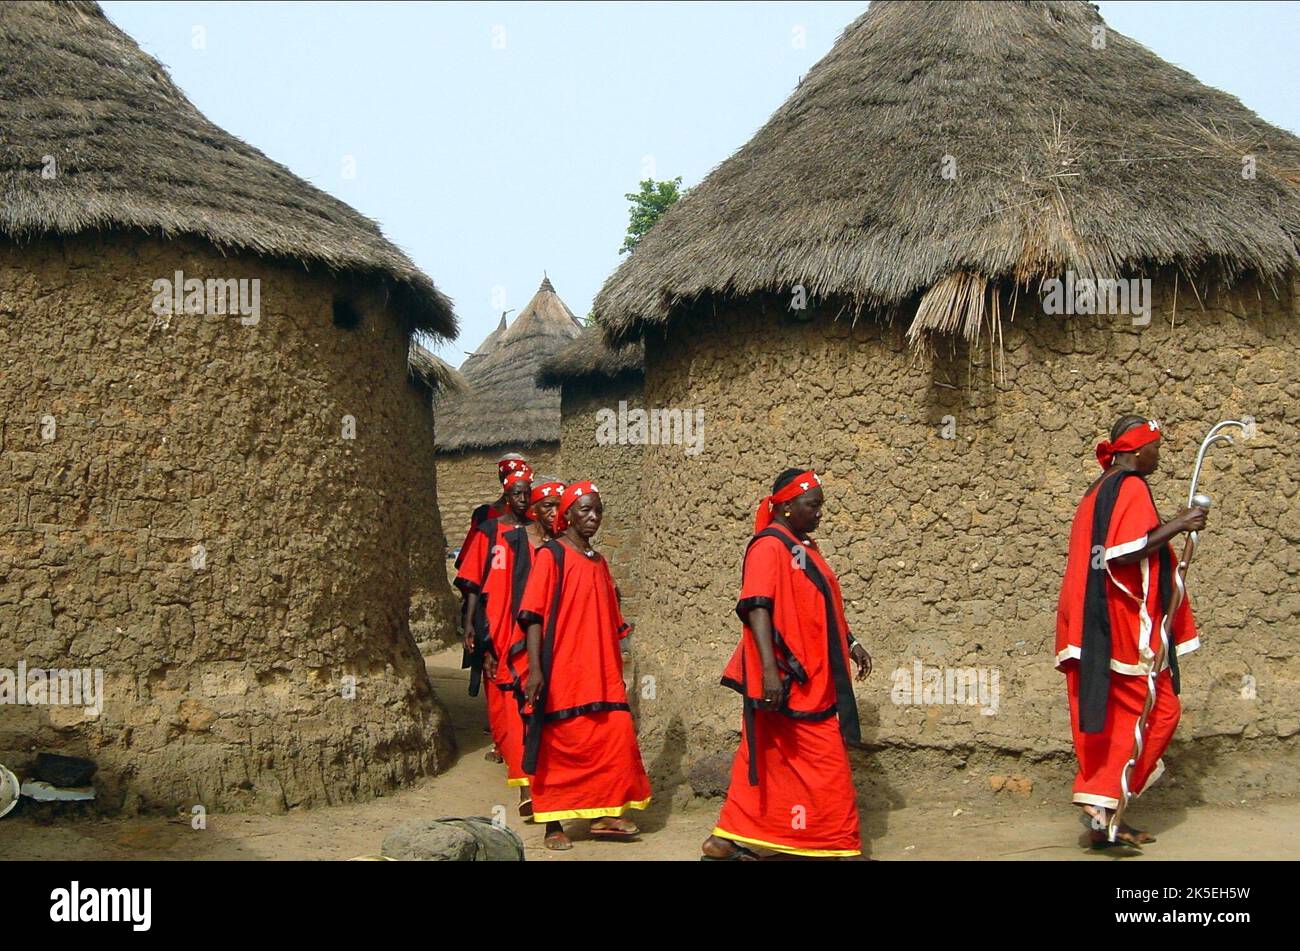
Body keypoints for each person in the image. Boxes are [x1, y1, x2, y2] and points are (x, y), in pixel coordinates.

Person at [702, 468, 871, 861]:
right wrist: (769, 673)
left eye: (821, 507)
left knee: (767, 757)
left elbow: (821, 605)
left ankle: (726, 839)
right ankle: (837, 844)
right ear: (788, 506)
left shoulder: (804, 547)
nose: (819, 514)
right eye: (813, 506)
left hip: (814, 676)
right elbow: (756, 608)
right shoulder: (768, 547)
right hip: (790, 679)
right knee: (825, 764)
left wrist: (851, 642)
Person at [1055, 415, 1206, 849]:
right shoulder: (1130, 487)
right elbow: (1122, 553)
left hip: (1089, 622)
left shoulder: (1098, 490)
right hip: (1116, 624)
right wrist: (1179, 524)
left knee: (1117, 718)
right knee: (1159, 711)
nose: (1158, 456)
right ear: (1139, 450)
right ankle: (1103, 804)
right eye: (1156, 448)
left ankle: (1109, 814)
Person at [517, 480, 651, 851]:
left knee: (612, 735)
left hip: (601, 668)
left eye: (598, 511)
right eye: (585, 510)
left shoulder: (599, 561)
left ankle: (605, 812)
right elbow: (532, 616)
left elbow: (610, 614)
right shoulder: (552, 556)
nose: (593, 518)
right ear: (568, 515)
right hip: (563, 666)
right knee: (559, 743)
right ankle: (552, 823)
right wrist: (536, 670)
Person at [455, 469, 532, 763]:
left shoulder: (537, 533)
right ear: (507, 494)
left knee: (524, 682)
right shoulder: (489, 531)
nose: (523, 499)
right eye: (517, 493)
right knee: (496, 682)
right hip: (494, 620)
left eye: (527, 493)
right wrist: (470, 625)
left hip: (526, 621)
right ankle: (503, 743)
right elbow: (472, 582)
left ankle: (523, 748)